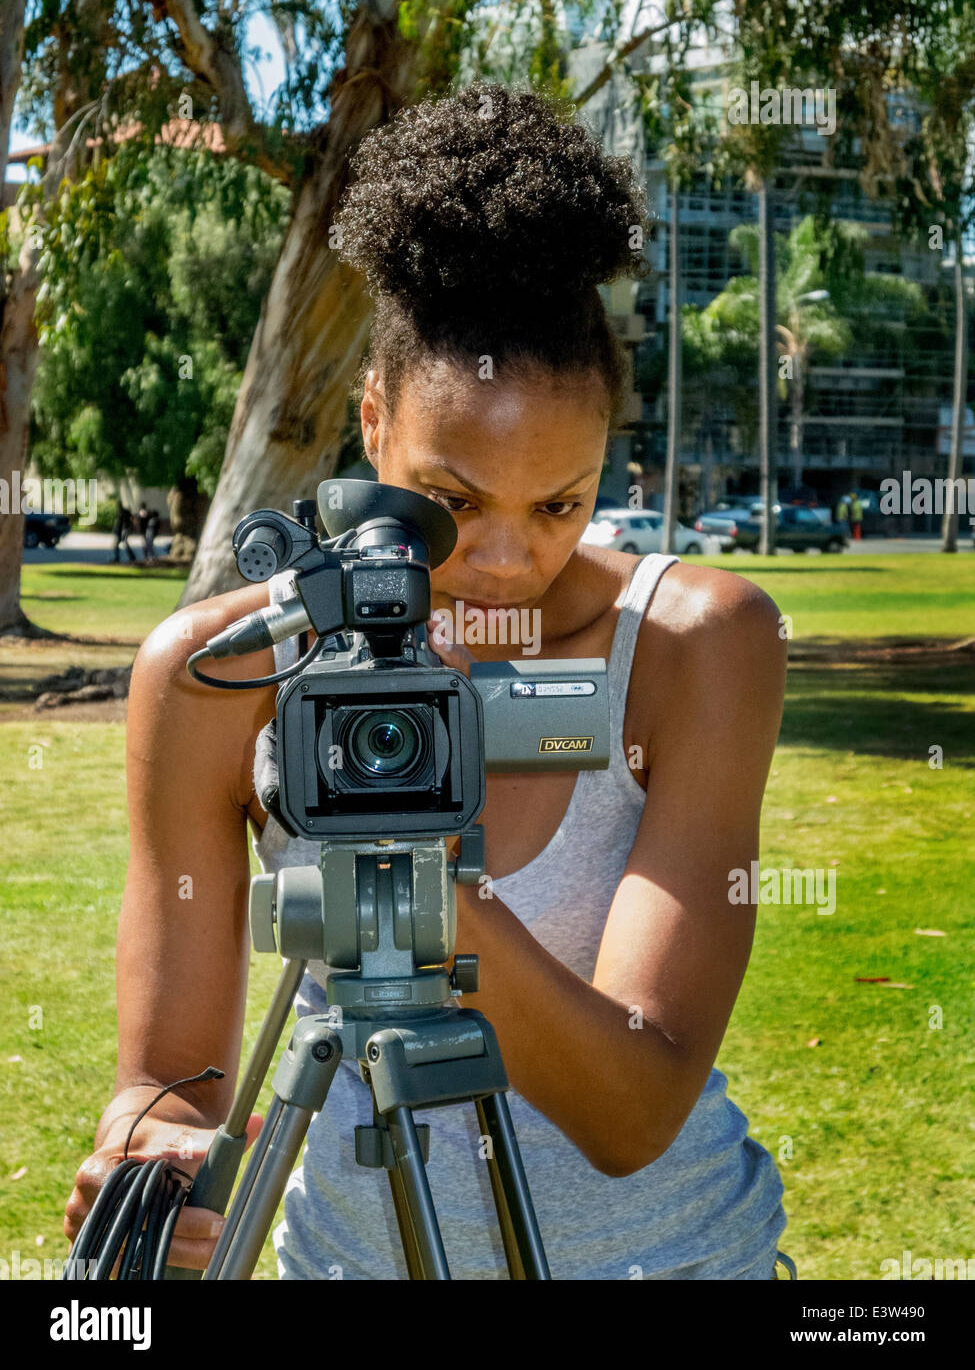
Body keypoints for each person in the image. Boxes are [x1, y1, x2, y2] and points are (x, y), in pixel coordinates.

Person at [65, 83, 793, 1281]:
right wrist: (150, 1158)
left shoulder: (695, 643)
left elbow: (632, 1112)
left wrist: (421, 894)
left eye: (561, 502)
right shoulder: (214, 675)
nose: (507, 559)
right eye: (451, 502)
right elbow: (171, 1083)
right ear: (370, 423)